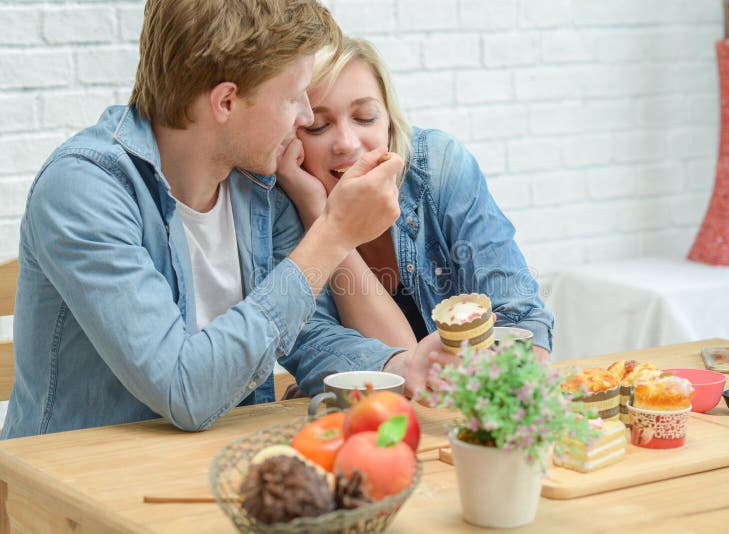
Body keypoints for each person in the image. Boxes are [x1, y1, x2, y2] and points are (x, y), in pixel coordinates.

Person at [1, 1, 442, 439]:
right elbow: (184, 390)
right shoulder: (85, 189)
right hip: (75, 486)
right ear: (226, 101)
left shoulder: (256, 186)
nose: (306, 117)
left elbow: (305, 333)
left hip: (211, 467)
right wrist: (332, 233)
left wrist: (398, 366)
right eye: (293, 98)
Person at [274, 37, 554, 364]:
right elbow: (396, 363)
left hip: (470, 400)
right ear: (291, 138)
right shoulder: (284, 203)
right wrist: (320, 216)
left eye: (365, 117)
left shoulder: (438, 164)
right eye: (318, 126)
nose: (347, 144)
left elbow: (521, 320)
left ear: (390, 122)